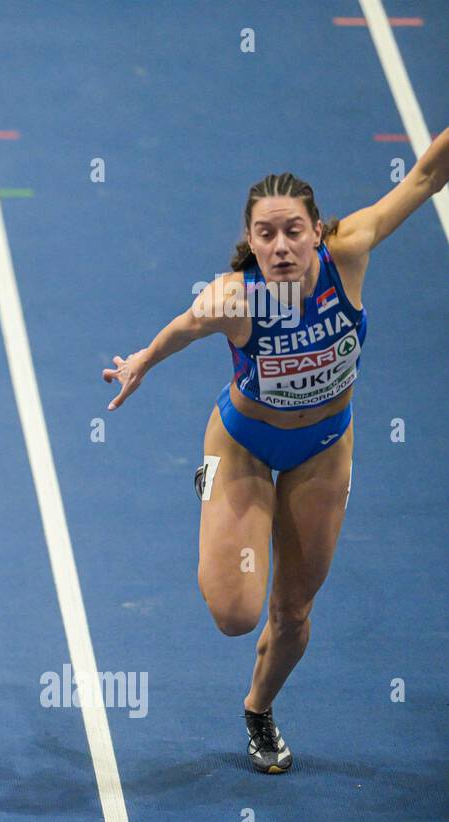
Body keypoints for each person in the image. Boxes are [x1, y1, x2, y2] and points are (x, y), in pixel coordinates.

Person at [102, 128, 448, 772]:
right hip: (241, 450)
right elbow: (183, 327)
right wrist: (141, 362)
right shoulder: (235, 299)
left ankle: (259, 709)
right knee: (234, 613)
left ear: (319, 231)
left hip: (324, 452)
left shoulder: (352, 252)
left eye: (293, 230)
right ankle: (214, 504)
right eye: (266, 234)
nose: (280, 246)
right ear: (250, 241)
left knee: (291, 611)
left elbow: (426, 176)